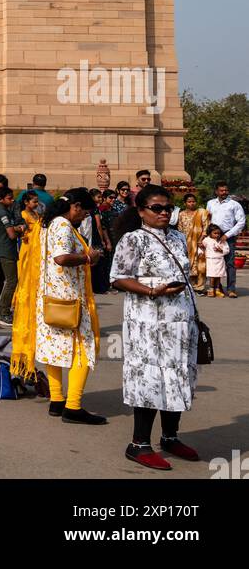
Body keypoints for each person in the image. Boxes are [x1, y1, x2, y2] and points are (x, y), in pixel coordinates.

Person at [110, 184, 200, 469]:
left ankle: (170, 437)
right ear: (141, 211)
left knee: (177, 375)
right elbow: (117, 277)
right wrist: (153, 291)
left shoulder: (177, 236)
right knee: (149, 378)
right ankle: (139, 444)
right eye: (156, 208)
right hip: (148, 322)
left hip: (180, 321)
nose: (163, 213)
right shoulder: (132, 240)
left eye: (167, 208)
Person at [10, 188, 105, 425]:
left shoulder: (47, 224)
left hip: (50, 298)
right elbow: (62, 258)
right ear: (75, 206)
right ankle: (73, 406)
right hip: (69, 300)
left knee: (54, 349)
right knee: (83, 351)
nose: (84, 217)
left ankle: (56, 401)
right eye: (84, 211)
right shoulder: (63, 225)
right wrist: (88, 258)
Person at [0, 186, 22, 327]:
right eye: (9, 198)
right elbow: (11, 234)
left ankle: (3, 310)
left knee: (10, 281)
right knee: (12, 281)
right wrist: (19, 230)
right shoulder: (3, 213)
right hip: (6, 250)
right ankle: (3, 312)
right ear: (1, 199)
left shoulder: (5, 211)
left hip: (6, 249)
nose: (12, 200)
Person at [205, 181, 245, 297]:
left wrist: (227, 235)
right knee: (214, 262)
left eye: (226, 190)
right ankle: (217, 288)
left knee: (230, 263)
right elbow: (207, 220)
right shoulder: (210, 203)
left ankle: (231, 289)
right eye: (222, 190)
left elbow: (241, 222)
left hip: (229, 235)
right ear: (216, 191)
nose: (224, 192)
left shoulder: (234, 204)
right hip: (213, 236)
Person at [176, 192, 209, 293]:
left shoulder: (201, 212)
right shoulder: (181, 214)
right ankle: (191, 285)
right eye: (189, 202)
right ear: (185, 203)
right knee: (188, 263)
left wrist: (200, 240)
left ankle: (200, 286)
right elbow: (180, 229)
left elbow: (206, 227)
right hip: (186, 243)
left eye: (193, 201)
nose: (192, 203)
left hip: (200, 242)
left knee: (200, 264)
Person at [201, 224, 229, 297]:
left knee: (218, 276)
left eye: (219, 233)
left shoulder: (222, 241)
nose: (217, 235)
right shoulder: (207, 240)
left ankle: (217, 290)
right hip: (211, 260)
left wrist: (221, 250)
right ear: (210, 233)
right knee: (212, 276)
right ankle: (211, 290)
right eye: (215, 233)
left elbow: (227, 250)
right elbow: (201, 246)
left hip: (220, 261)